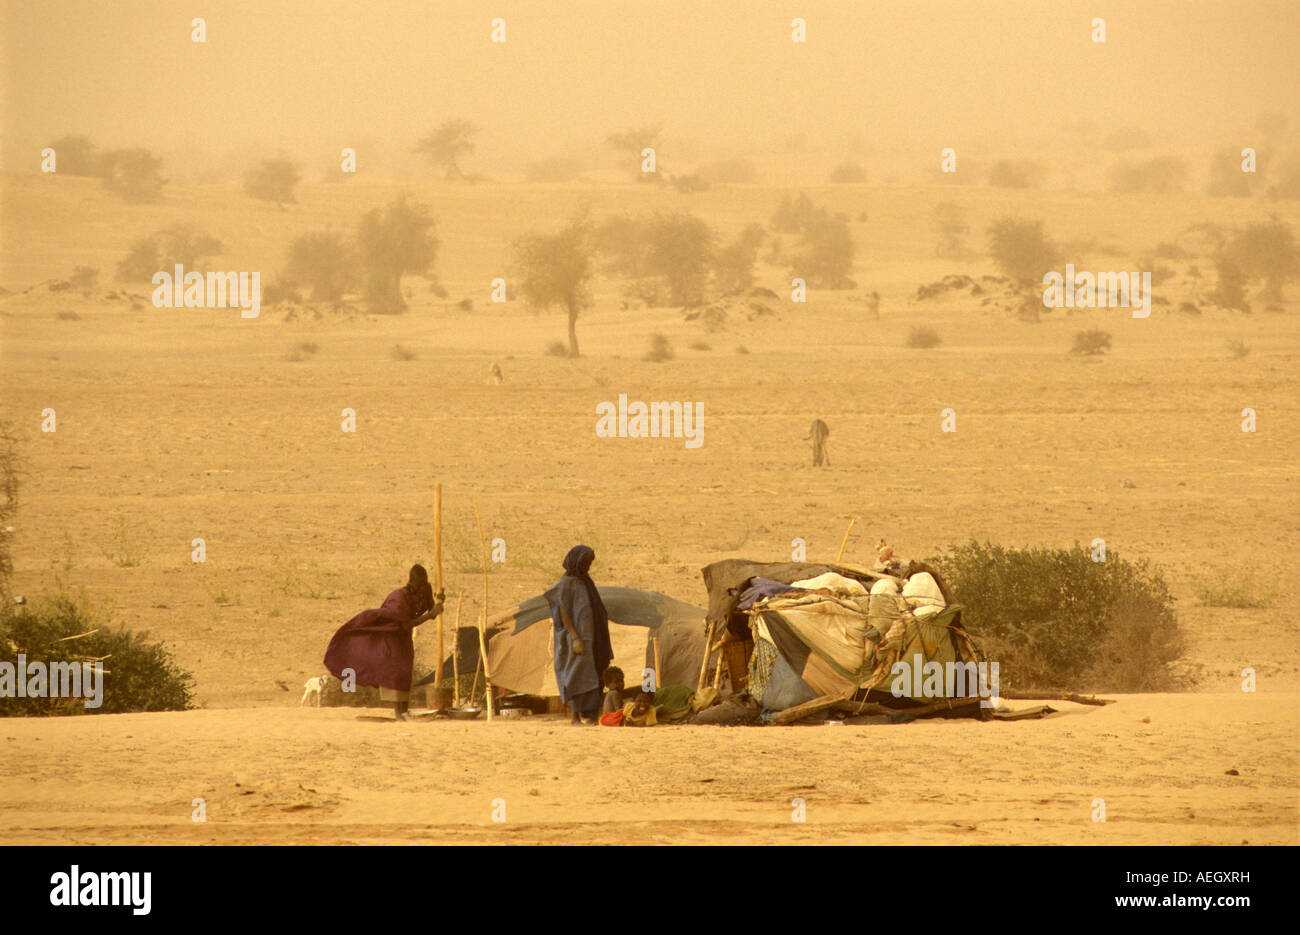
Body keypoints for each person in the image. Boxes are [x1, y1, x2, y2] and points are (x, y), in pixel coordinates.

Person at [323, 564, 444, 721]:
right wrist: (430, 615)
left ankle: (404, 711)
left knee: (405, 671)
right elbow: (406, 624)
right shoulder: (400, 597)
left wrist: (439, 602)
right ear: (412, 582)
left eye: (424, 583)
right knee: (394, 672)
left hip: (404, 638)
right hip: (391, 636)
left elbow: (432, 610)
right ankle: (398, 713)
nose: (422, 587)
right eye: (419, 584)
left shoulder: (425, 589)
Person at [544, 545, 613, 725]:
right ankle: (575, 716)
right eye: (585, 563)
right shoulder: (566, 584)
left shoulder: (585, 581)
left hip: (592, 638)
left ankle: (590, 716)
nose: (588, 567)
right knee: (575, 674)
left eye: (589, 564)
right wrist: (575, 638)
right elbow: (564, 611)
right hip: (576, 639)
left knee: (594, 673)